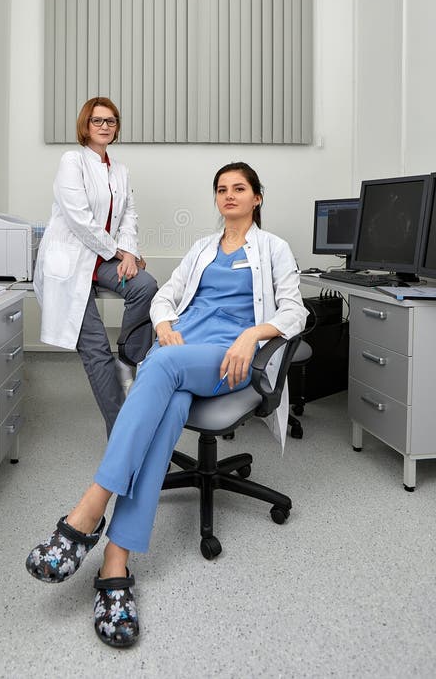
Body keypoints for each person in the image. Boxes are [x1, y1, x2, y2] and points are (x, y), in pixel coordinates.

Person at [26, 162, 307, 648]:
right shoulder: (202, 248)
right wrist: (162, 325)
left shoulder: (273, 248)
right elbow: (166, 296)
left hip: (226, 358)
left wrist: (251, 335)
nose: (229, 195)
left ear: (257, 197)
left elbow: (294, 311)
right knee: (169, 405)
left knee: (161, 366)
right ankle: (115, 564)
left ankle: (88, 510)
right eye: (221, 189)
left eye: (239, 188)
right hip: (180, 349)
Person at [34, 96, 158, 436]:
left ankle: (128, 360)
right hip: (70, 262)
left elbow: (129, 215)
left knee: (146, 286)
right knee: (96, 350)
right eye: (97, 120)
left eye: (111, 121)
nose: (105, 126)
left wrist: (129, 252)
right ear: (85, 126)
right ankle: (122, 434)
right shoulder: (72, 161)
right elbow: (80, 220)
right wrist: (120, 252)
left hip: (102, 259)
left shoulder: (120, 170)